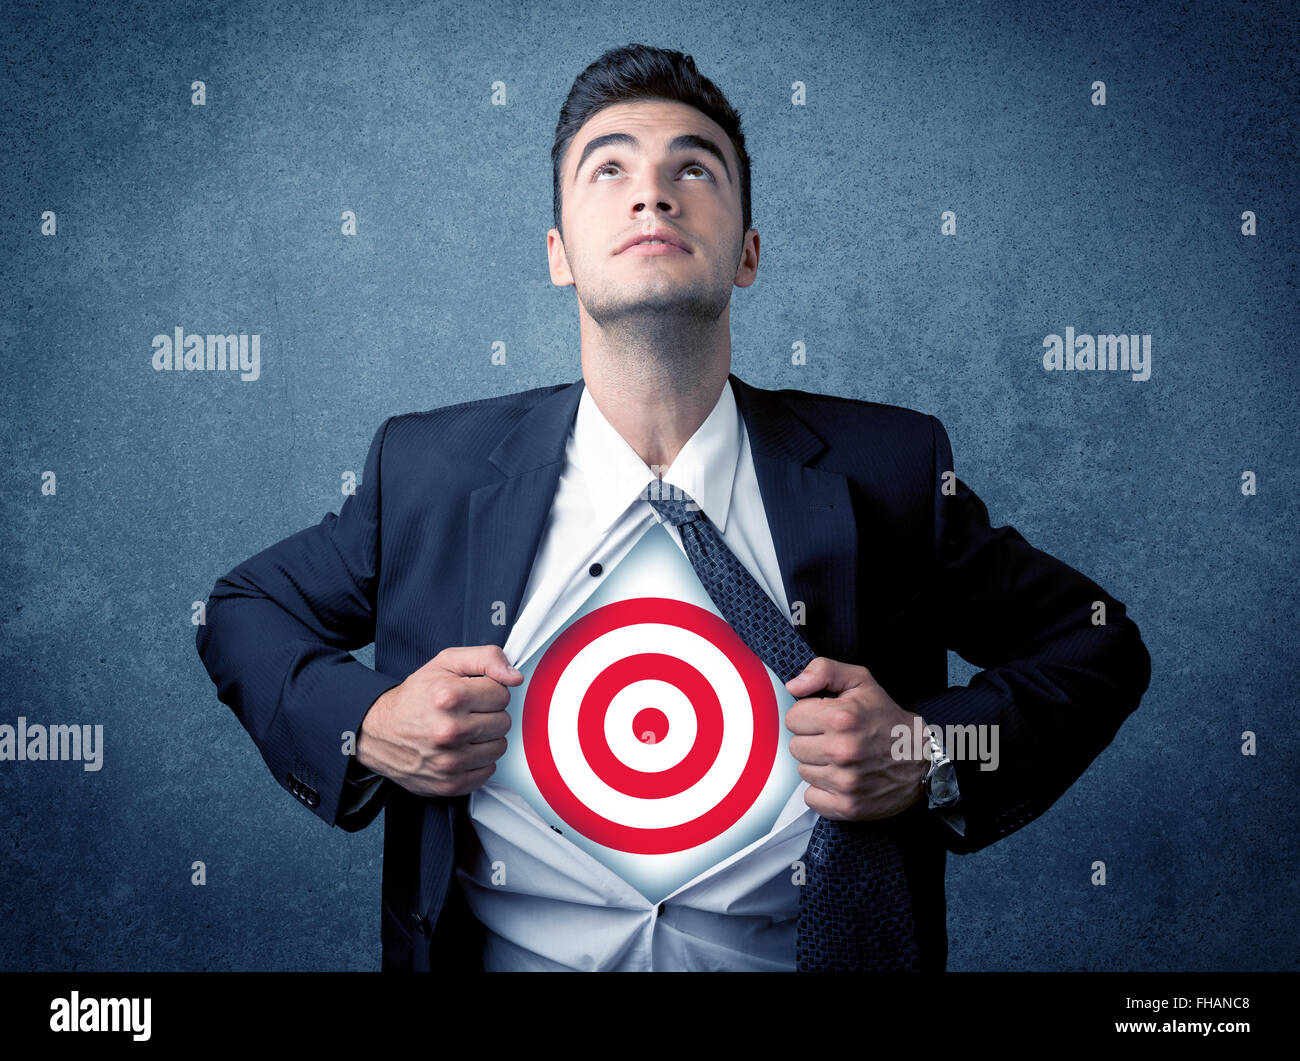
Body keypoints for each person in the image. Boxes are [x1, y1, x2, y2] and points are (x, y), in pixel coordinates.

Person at [195, 43, 1151, 971]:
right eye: (608, 170)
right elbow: (242, 610)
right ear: (560, 254)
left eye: (694, 168)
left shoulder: (891, 469)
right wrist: (368, 724)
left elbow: (1098, 641)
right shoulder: (428, 470)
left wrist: (932, 751)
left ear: (748, 252)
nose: (652, 191)